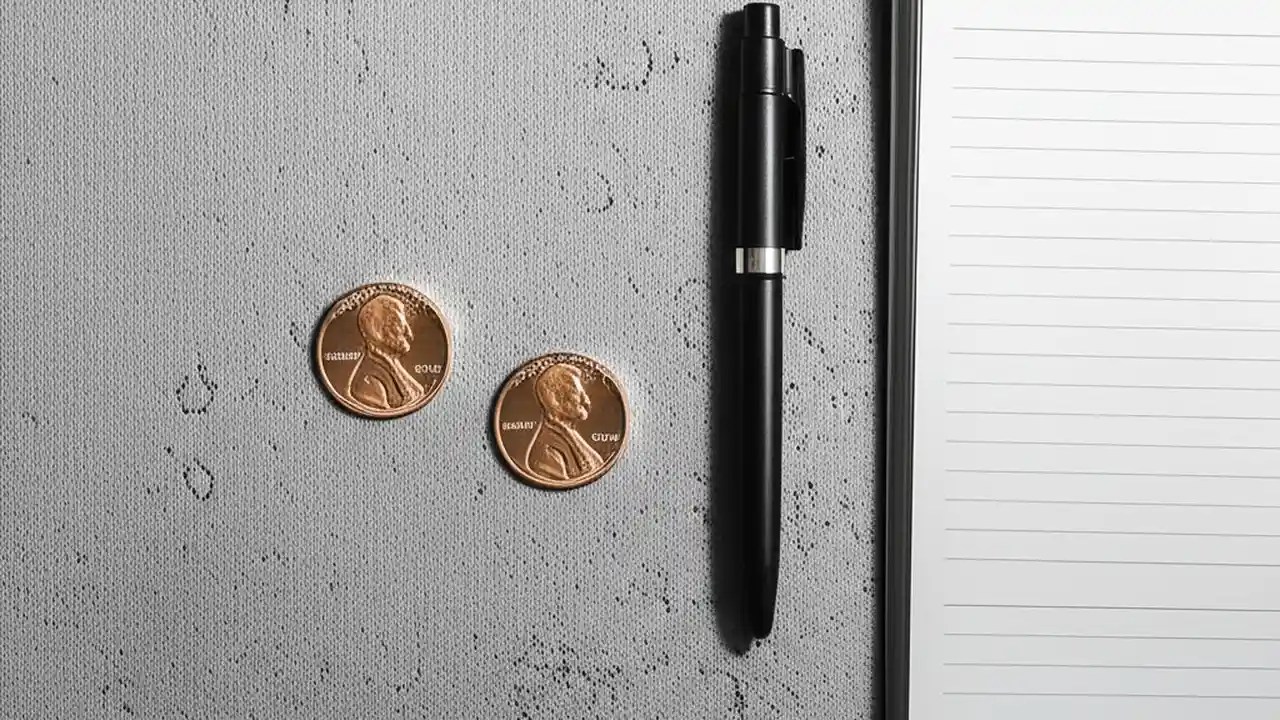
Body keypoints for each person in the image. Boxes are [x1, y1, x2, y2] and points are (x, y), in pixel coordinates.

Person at [525, 363, 604, 482]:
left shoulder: (571, 435)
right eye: (577, 393)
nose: (586, 401)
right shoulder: (547, 451)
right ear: (555, 400)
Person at [347, 294, 425, 411]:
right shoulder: (367, 382)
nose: (409, 334)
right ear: (377, 331)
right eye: (399, 325)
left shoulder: (393, 364)